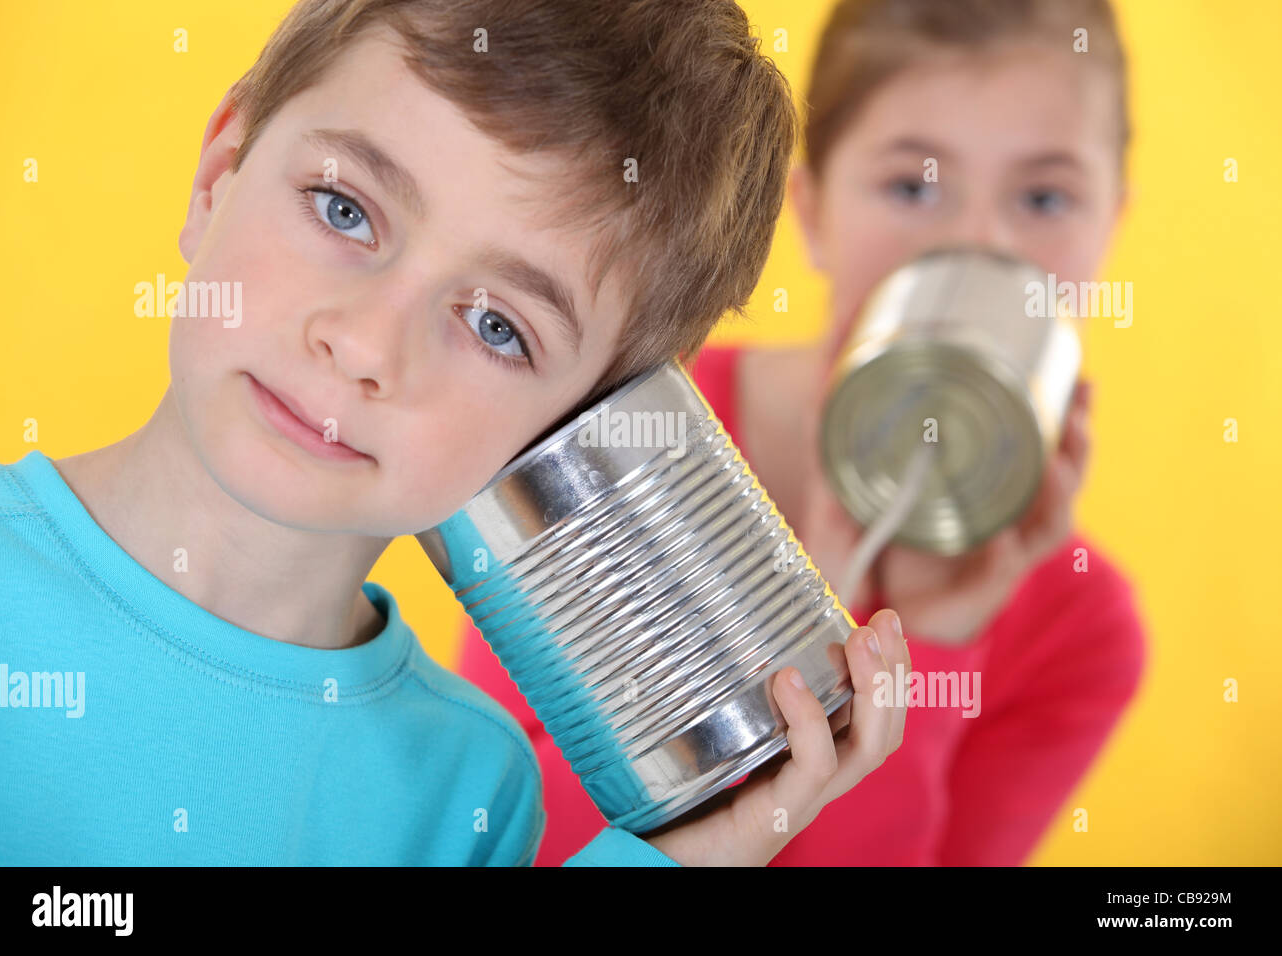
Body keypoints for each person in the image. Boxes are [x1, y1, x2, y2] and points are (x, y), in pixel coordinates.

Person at [0, 0, 911, 866]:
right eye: (343, 209)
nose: (363, 344)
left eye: (496, 327)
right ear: (219, 173)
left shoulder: (472, 788)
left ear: (578, 431)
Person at [456, 0, 1147, 866]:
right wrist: (797, 617)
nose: (980, 244)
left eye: (1045, 196)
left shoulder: (1080, 635)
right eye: (913, 185)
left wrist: (926, 645)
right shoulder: (614, 421)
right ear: (811, 210)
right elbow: (507, 834)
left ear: (1112, 227)